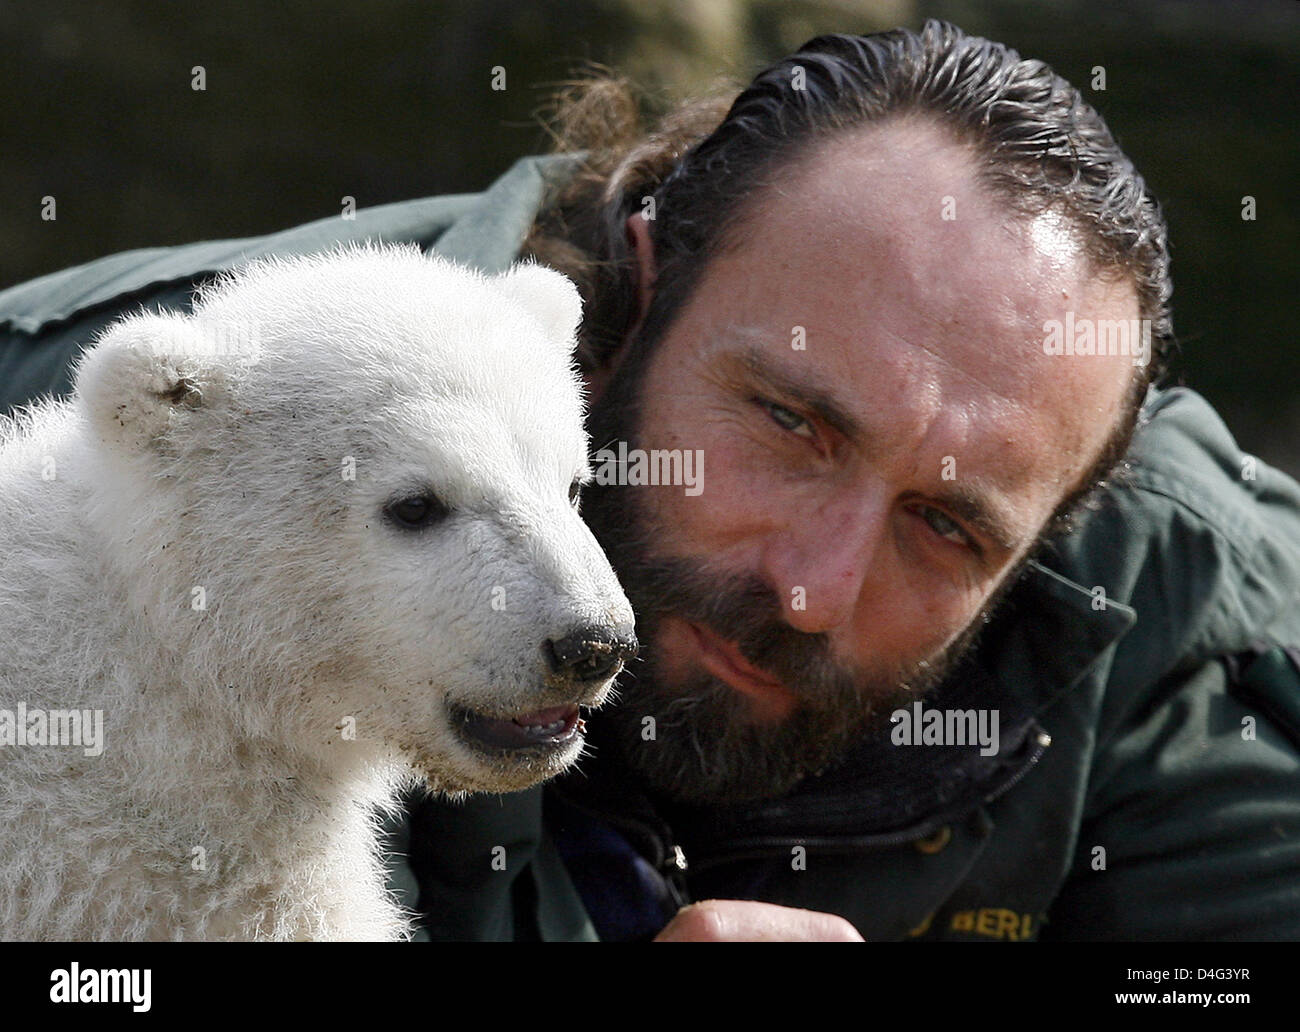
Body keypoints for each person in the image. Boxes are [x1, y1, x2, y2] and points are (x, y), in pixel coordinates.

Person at [2, 20, 1298, 941]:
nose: (809, 588)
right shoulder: (137, 451)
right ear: (644, 284)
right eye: (792, 423)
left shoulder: (1183, 619)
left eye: (948, 527)